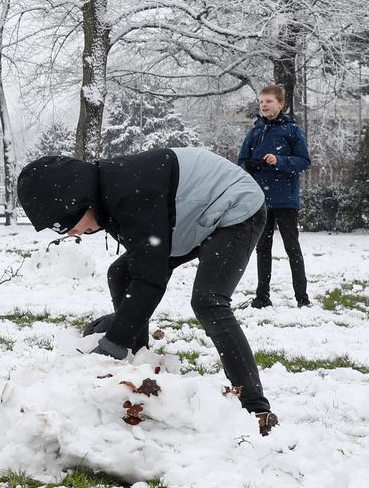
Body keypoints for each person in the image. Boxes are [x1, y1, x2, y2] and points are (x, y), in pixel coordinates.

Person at [16, 147, 279, 436]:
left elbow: (151, 280)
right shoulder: (109, 194)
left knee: (208, 300)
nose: (69, 234)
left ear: (78, 201)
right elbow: (145, 269)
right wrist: (122, 327)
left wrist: (113, 341)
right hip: (190, 219)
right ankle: (139, 358)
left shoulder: (128, 194)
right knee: (121, 273)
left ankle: (256, 408)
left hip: (236, 206)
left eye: (63, 224)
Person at [236, 83, 312, 308]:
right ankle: (262, 297)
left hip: (286, 201)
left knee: (293, 249)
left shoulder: (292, 130)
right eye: (261, 102)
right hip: (261, 201)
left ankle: (302, 298)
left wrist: (280, 161)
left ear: (281, 104)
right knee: (262, 250)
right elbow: (241, 162)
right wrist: (250, 164)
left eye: (269, 102)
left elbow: (304, 161)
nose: (264, 106)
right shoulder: (255, 131)